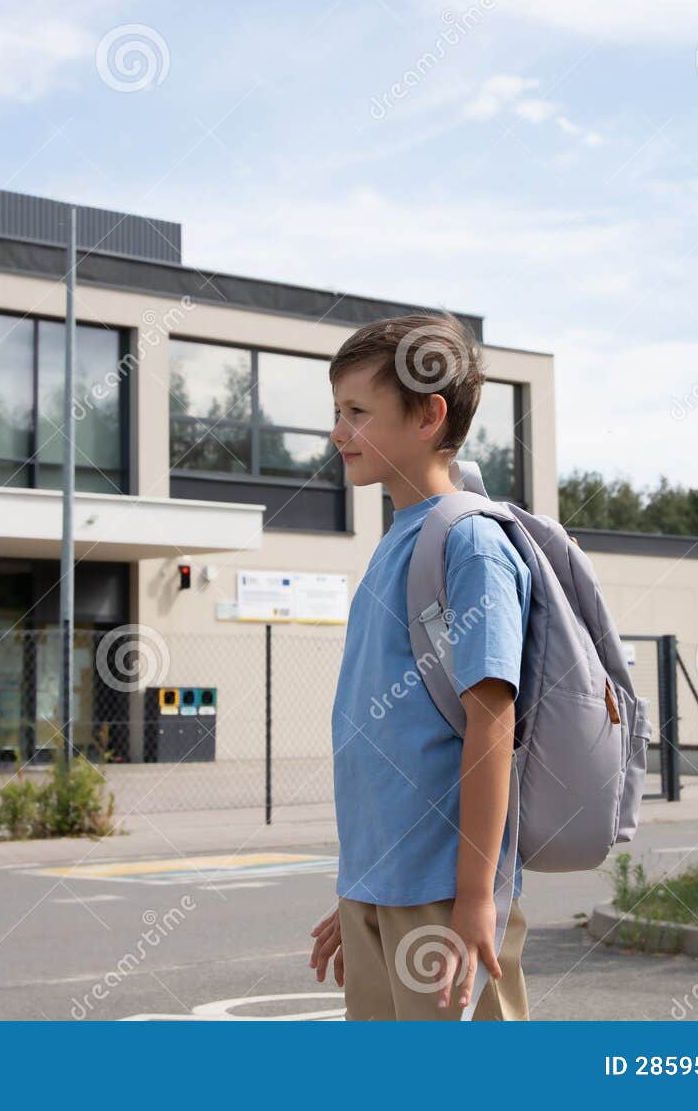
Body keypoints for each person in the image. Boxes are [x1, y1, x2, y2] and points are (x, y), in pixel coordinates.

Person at [307, 312, 532, 1020]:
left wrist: (475, 898)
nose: (338, 431)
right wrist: (364, 892)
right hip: (379, 890)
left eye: (357, 412)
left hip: (445, 896)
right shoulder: (393, 542)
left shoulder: (470, 543)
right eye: (337, 411)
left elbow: (491, 723)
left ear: (429, 415)